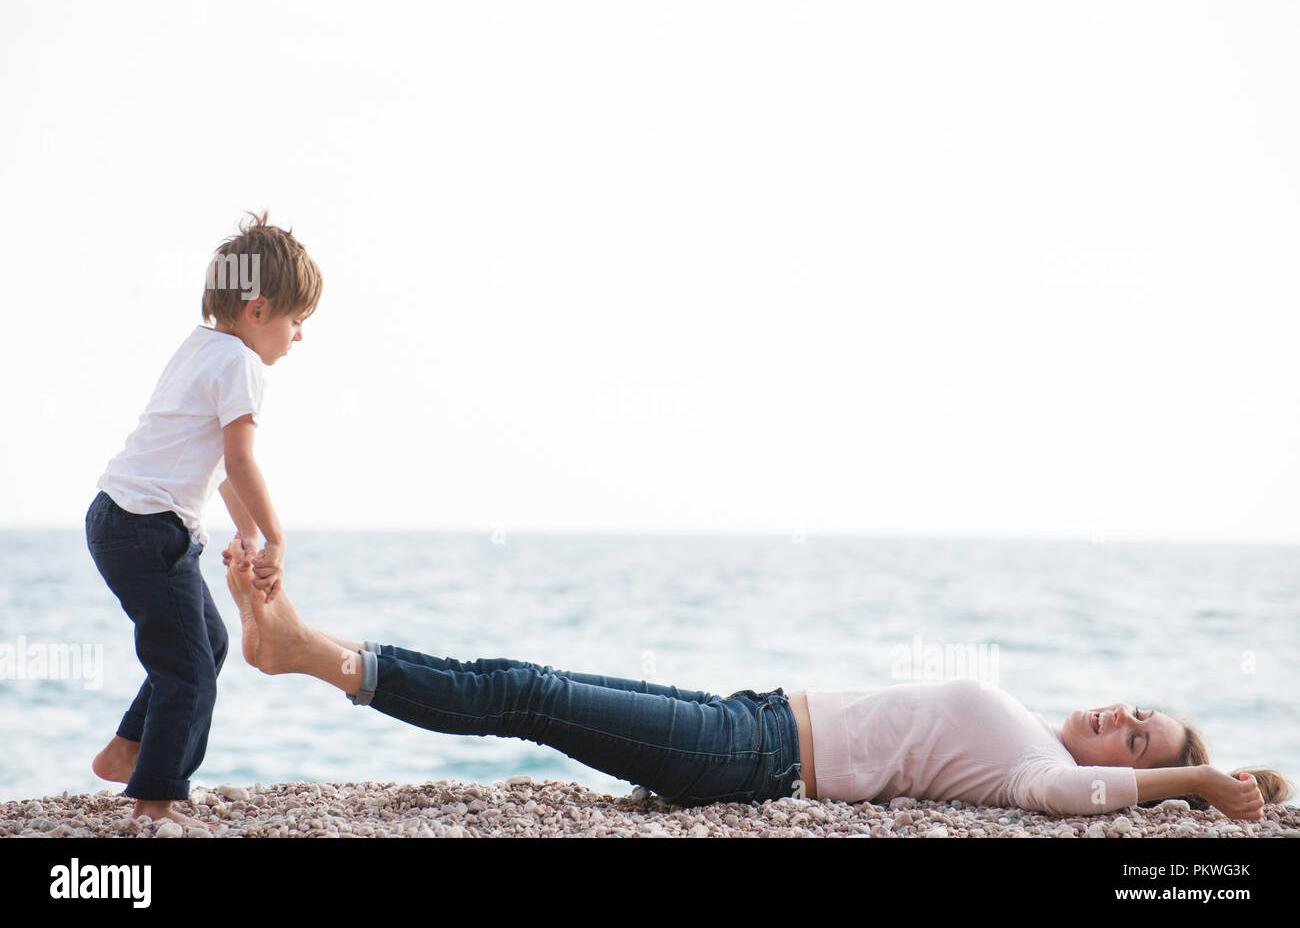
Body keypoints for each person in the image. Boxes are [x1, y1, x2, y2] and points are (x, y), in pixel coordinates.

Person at [214, 534, 1288, 821]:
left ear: (1129, 781)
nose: (1120, 720)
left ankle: (309, 653)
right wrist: (1215, 778)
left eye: (1136, 738)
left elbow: (1071, 797)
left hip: (750, 758)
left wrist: (1191, 788)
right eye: (1136, 710)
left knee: (527, 693)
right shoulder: (1032, 738)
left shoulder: (1039, 771)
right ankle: (308, 652)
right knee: (529, 685)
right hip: (752, 719)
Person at [84, 212, 322, 830]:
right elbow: (241, 460)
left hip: (121, 518)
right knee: (187, 669)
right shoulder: (242, 365)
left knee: (204, 644)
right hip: (147, 527)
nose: (299, 338)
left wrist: (243, 533)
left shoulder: (199, 348)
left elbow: (215, 468)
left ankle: (126, 751)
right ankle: (155, 803)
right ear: (259, 310)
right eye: (298, 322)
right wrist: (274, 536)